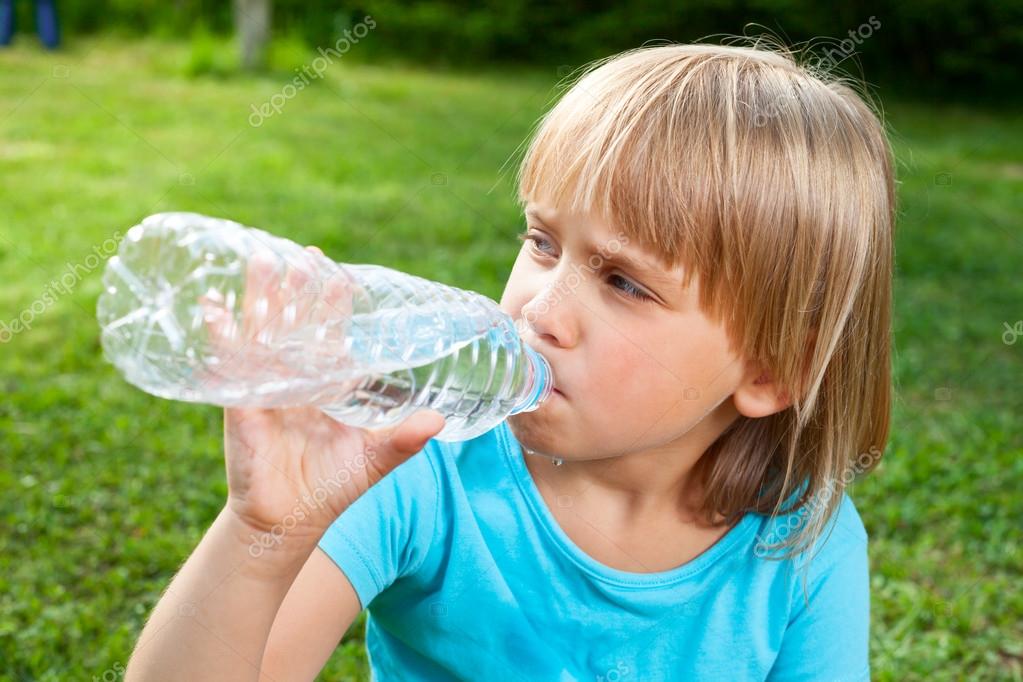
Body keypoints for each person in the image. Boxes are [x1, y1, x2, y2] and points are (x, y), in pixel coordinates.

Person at [125, 39, 895, 681]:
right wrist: (264, 532)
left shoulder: (801, 546)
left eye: (624, 282)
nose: (538, 310)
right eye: (542, 243)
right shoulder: (424, 462)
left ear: (767, 373)